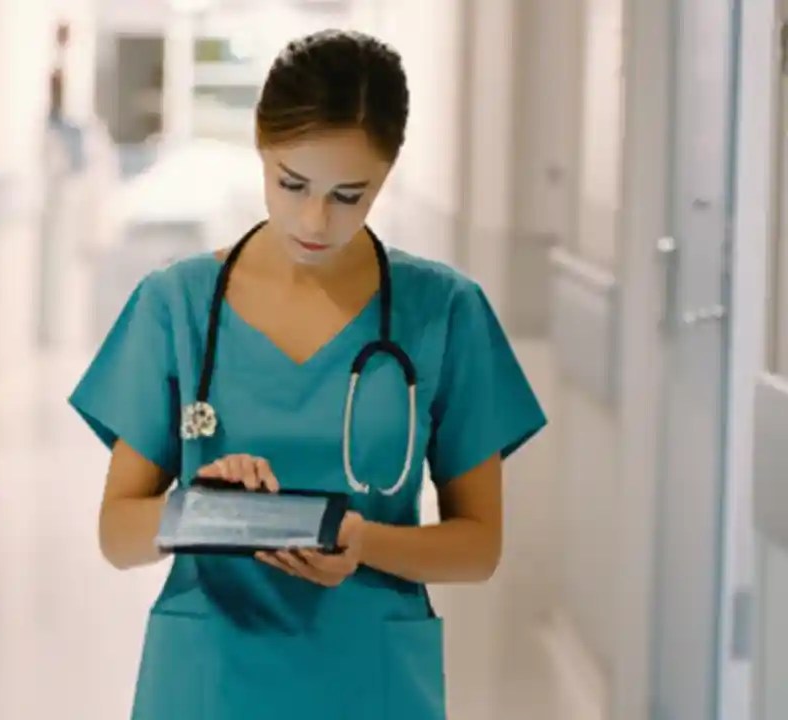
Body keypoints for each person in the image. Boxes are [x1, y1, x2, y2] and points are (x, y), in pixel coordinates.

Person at [68, 28, 546, 720]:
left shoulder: (444, 312)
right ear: (260, 147)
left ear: (387, 175)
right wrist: (202, 506)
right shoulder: (177, 305)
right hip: (210, 680)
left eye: (349, 195)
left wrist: (366, 543)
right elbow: (118, 536)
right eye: (292, 184)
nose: (315, 219)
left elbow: (478, 548)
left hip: (367, 681)